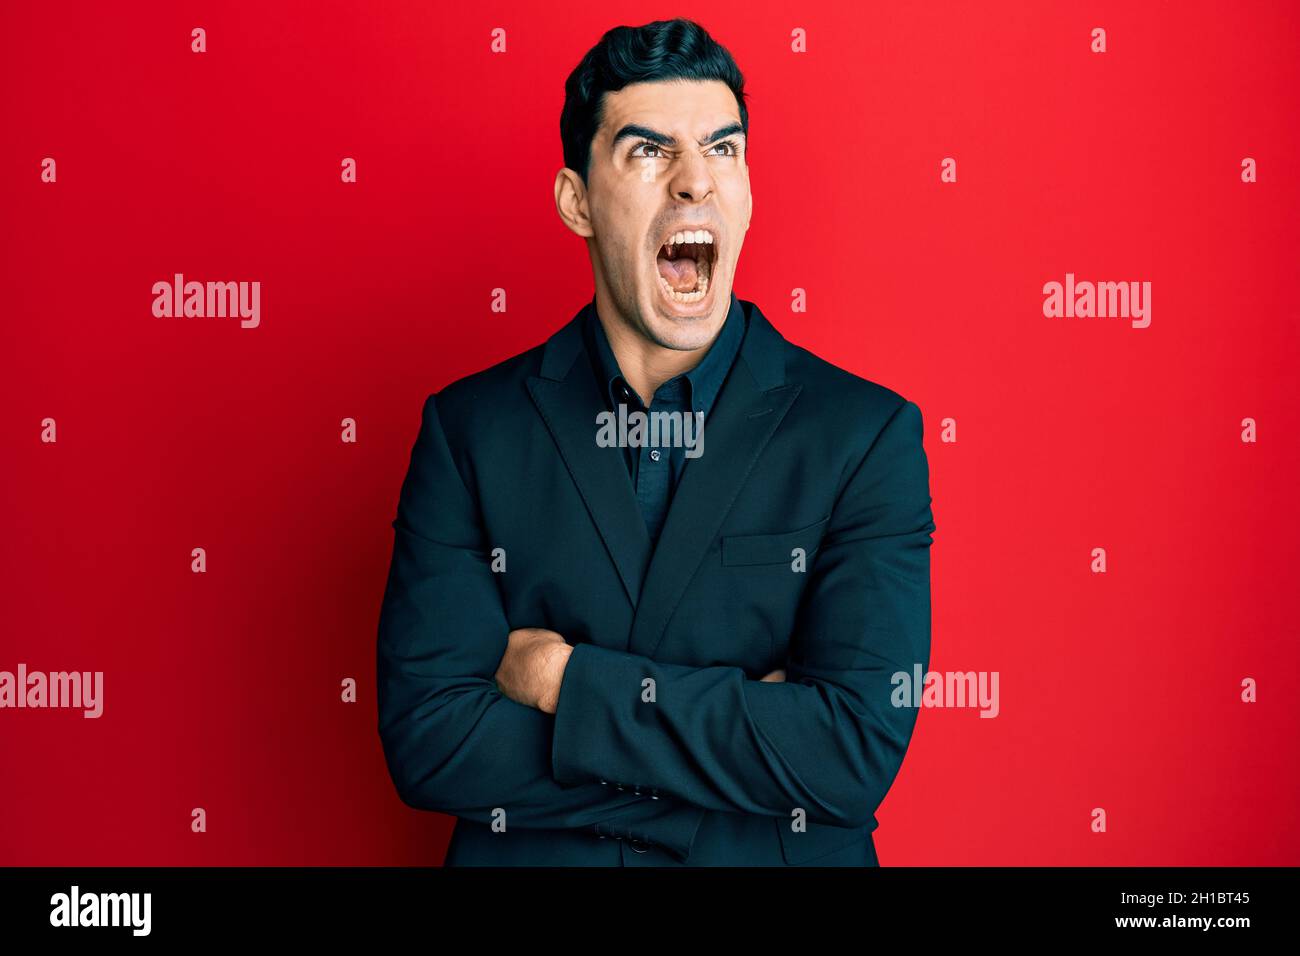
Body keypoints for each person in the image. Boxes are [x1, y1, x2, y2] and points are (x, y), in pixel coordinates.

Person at [376, 17, 935, 866]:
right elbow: (433, 742)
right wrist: (743, 754)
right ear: (577, 202)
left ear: (747, 192)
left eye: (722, 149)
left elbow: (849, 753)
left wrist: (565, 684)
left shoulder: (865, 434)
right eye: (648, 151)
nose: (693, 183)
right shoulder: (469, 431)